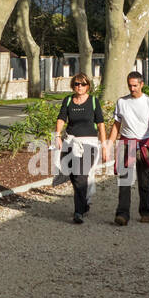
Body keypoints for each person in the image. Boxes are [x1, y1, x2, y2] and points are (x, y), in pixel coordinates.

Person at [110, 71, 149, 225]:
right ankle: (122, 214)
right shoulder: (121, 102)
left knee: (144, 180)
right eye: (130, 85)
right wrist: (109, 143)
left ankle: (145, 211)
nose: (132, 88)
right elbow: (116, 125)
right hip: (126, 143)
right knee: (124, 180)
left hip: (144, 144)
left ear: (141, 84)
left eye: (135, 85)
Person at [53, 73, 107, 224]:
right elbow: (61, 118)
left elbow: (101, 124)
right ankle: (85, 203)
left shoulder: (94, 102)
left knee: (81, 174)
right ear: (73, 85)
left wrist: (104, 146)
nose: (80, 87)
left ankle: (78, 212)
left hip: (89, 143)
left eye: (83, 84)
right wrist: (57, 135)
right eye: (77, 84)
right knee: (73, 175)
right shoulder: (68, 100)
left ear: (88, 86)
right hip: (71, 142)